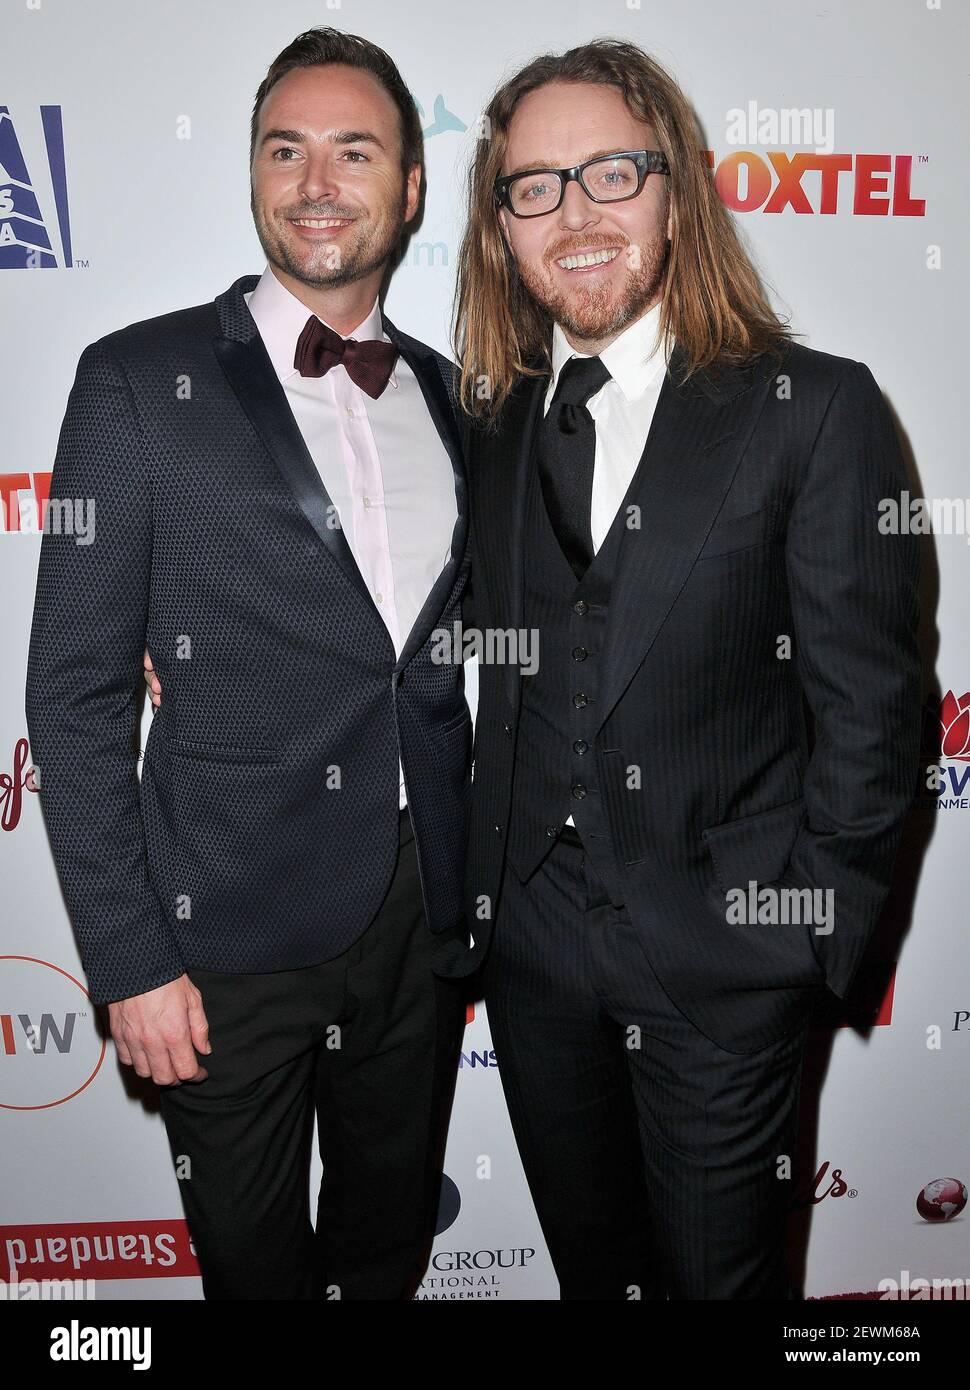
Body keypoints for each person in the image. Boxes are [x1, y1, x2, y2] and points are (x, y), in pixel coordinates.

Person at [443, 37, 921, 1299]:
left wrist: (800, 950)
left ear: (677, 191)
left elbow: (875, 714)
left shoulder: (813, 409)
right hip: (537, 966)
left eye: (612, 171)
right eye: (533, 186)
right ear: (501, 227)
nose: (576, 214)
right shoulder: (493, 421)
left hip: (726, 966)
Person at [25, 27, 471, 1301]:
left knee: (386, 1247)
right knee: (255, 1271)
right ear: (253, 174)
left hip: (419, 914)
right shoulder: (132, 380)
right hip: (219, 940)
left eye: (354, 148)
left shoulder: (453, 399)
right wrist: (126, 957)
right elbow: (72, 690)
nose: (316, 181)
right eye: (287, 149)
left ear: (412, 186)